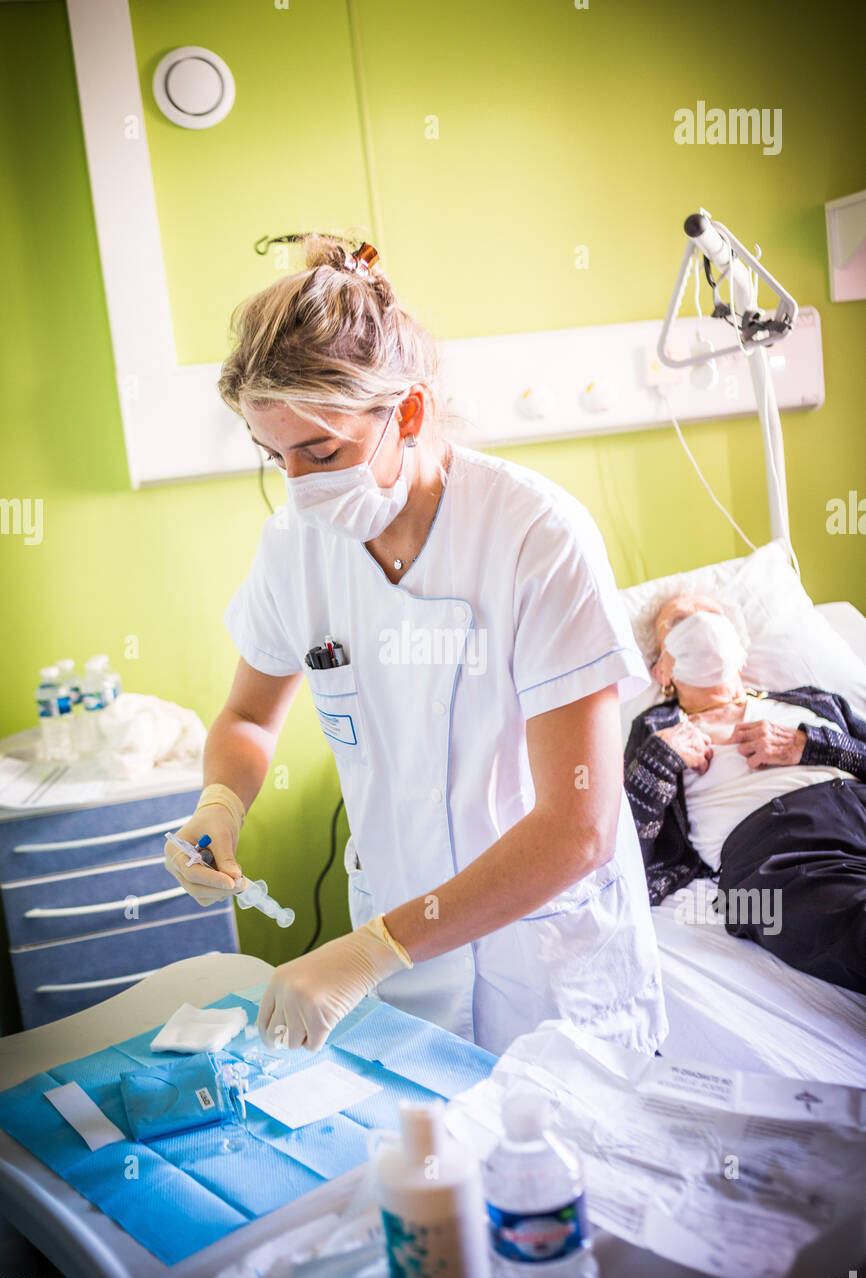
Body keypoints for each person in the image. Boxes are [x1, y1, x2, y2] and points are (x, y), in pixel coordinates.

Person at [164, 232, 669, 1058]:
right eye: (274, 456)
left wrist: (371, 950)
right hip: (397, 962)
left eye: (320, 451)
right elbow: (249, 718)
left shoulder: (534, 536)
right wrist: (220, 804)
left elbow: (579, 825)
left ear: (407, 411)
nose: (297, 483)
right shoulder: (297, 546)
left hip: (540, 966)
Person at [624, 589, 866, 993]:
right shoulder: (655, 733)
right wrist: (659, 759)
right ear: (661, 671)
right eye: (679, 620)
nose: (699, 622)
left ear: (739, 649)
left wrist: (812, 746)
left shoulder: (811, 701)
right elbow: (630, 857)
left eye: (710, 614)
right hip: (780, 859)